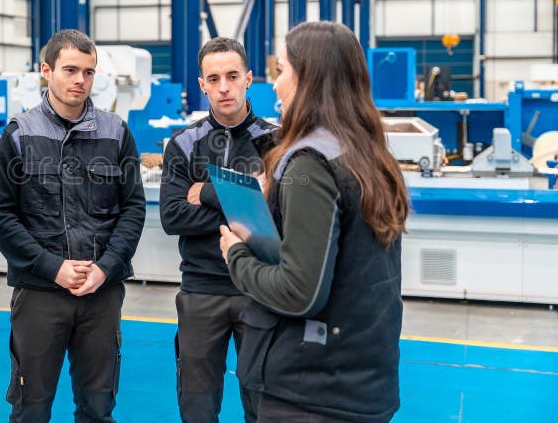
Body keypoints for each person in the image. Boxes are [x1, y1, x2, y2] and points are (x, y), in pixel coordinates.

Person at [220, 21, 409, 423]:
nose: (276, 85)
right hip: (361, 378)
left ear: (309, 78)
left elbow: (300, 294)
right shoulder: (368, 153)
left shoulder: (311, 162)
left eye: (282, 70)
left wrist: (237, 255)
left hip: (309, 391)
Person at [0, 29, 146, 423]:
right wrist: (52, 267)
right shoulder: (19, 134)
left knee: (97, 406)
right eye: (71, 70)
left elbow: (133, 209)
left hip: (101, 293)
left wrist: (106, 267)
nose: (80, 80)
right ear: (46, 71)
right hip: (40, 292)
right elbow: (2, 217)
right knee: (31, 406)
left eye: (88, 72)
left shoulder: (116, 132)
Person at [160, 37, 276, 423]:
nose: (224, 86)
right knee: (196, 401)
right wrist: (247, 203)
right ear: (202, 85)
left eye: (232, 76)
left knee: (263, 399)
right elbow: (172, 217)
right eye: (214, 78)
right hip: (200, 291)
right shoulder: (183, 143)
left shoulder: (276, 142)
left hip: (260, 288)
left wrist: (206, 192)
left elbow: (279, 216)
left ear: (248, 79)